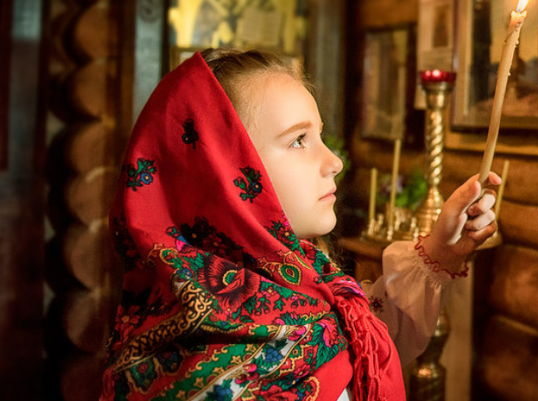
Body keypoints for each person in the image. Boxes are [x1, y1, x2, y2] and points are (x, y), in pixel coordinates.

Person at [102, 48, 499, 400]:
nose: (334, 162)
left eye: (319, 136)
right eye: (298, 141)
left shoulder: (303, 288)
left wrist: (441, 251)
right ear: (223, 176)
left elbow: (363, 343)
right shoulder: (190, 367)